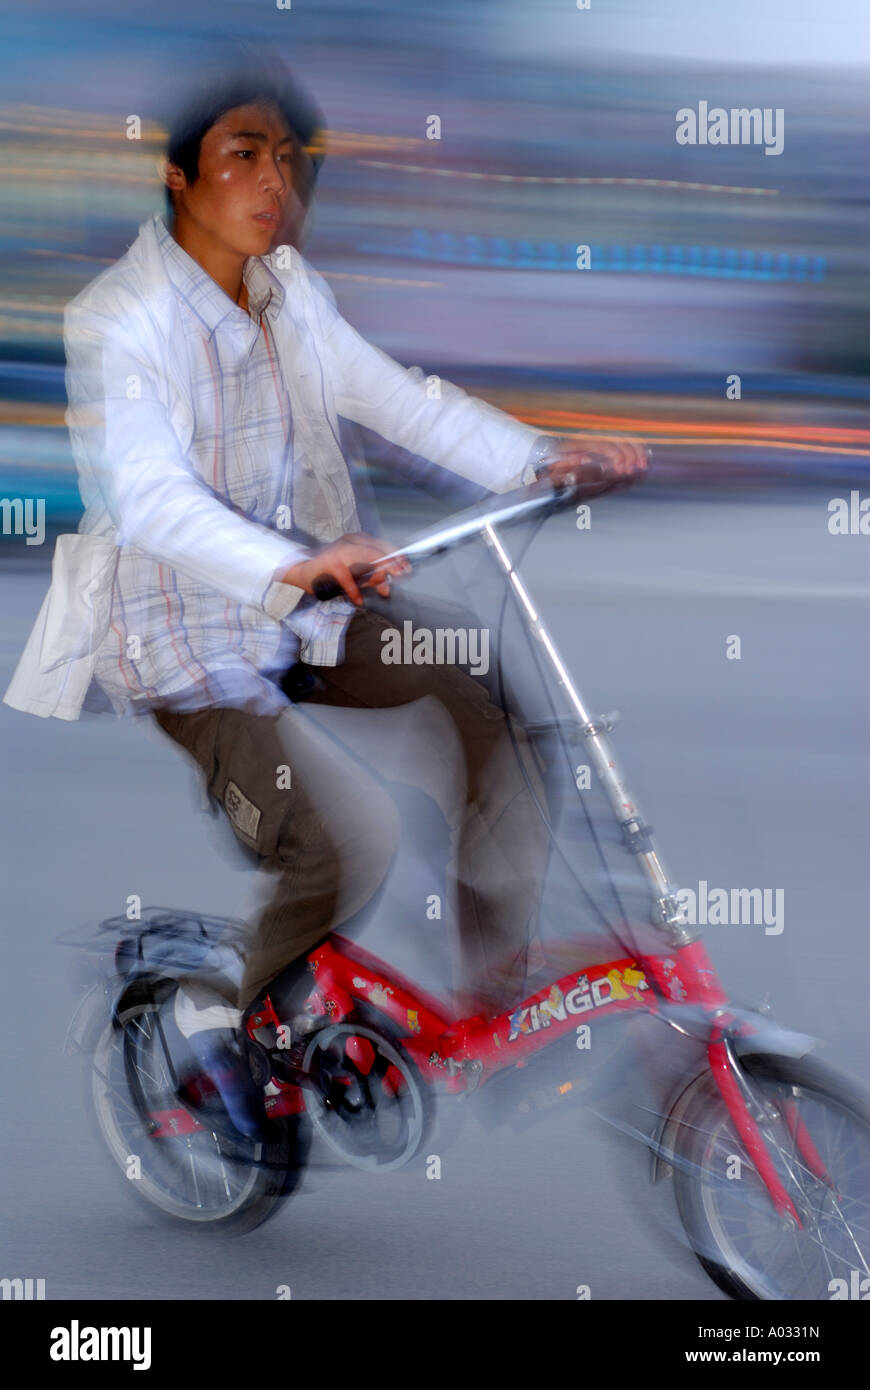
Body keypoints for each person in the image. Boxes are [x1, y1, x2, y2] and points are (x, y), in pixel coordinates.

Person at [3, 58, 648, 1140]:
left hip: (298, 610)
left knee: (478, 685)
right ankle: (225, 1044)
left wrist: (541, 458)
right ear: (178, 178)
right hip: (185, 643)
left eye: (289, 162)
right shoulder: (120, 322)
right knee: (343, 841)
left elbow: (402, 399)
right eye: (243, 157)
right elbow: (152, 499)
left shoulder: (291, 292)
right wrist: (289, 563)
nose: (273, 184)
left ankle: (492, 979)